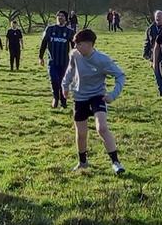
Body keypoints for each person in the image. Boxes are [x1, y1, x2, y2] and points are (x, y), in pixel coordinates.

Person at [62, 28, 126, 174]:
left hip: (97, 96)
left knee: (101, 128)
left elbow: (120, 75)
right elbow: (70, 71)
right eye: (75, 44)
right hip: (80, 97)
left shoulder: (102, 60)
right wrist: (64, 86)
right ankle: (83, 162)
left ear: (89, 44)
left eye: (79, 44)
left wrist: (113, 95)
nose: (76, 46)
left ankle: (116, 163)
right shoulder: (74, 54)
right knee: (81, 133)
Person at [38, 11, 75, 110]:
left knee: (63, 82)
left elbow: (74, 47)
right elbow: (43, 43)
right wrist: (40, 57)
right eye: (58, 15)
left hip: (64, 62)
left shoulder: (69, 32)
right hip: (52, 61)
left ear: (66, 19)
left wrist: (76, 60)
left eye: (62, 16)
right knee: (54, 80)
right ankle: (55, 97)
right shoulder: (50, 29)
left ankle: (63, 101)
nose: (60, 17)